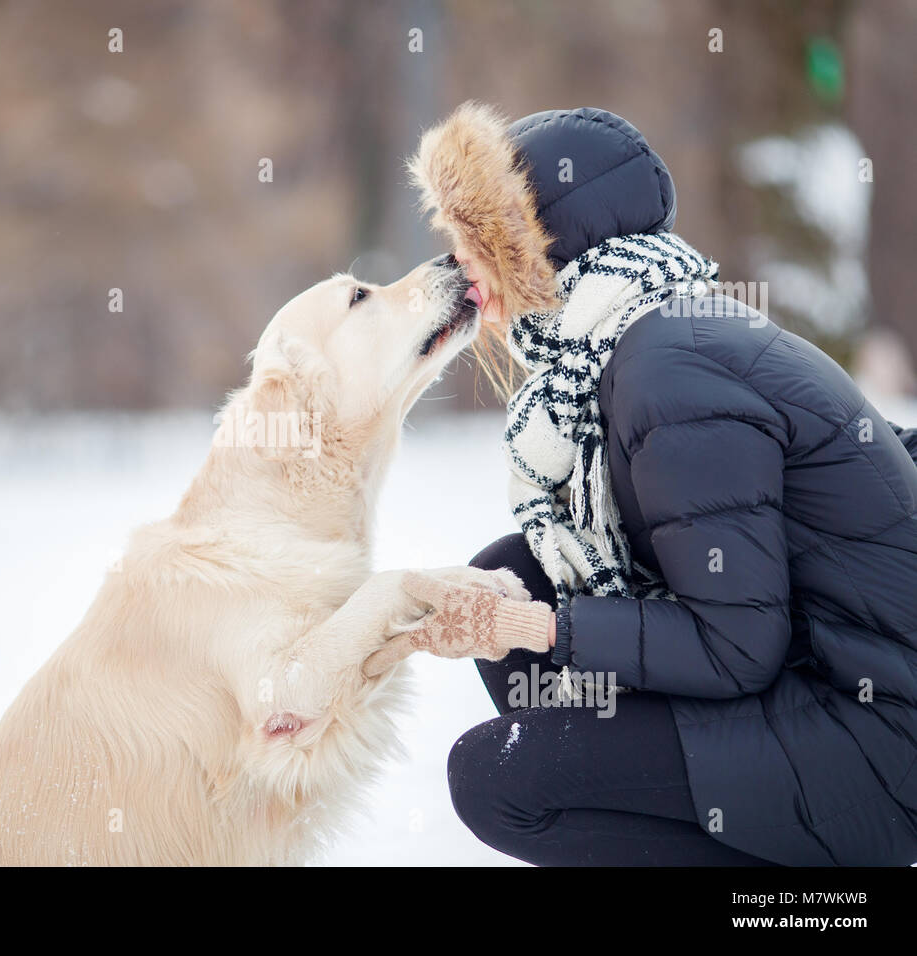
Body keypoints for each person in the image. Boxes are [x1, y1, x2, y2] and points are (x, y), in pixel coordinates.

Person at [384, 103, 917, 865]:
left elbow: (736, 645)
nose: (462, 267)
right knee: (519, 572)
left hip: (878, 738)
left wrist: (542, 628)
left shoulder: (668, 375)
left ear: (547, 248)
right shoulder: (650, 330)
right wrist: (528, 619)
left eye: (479, 243)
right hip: (821, 669)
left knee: (499, 776)